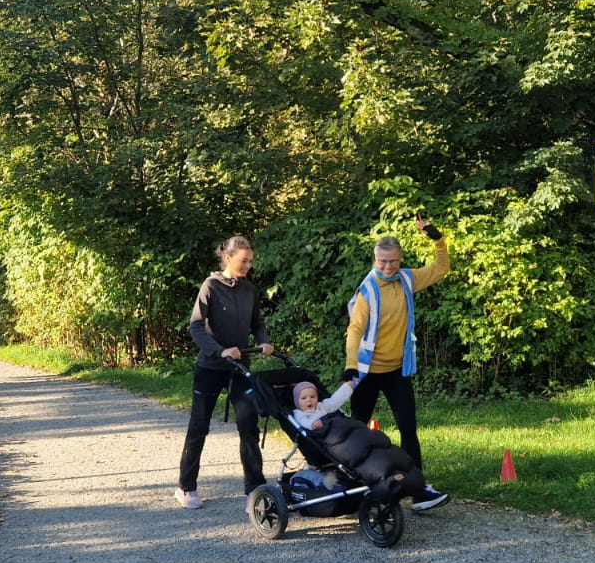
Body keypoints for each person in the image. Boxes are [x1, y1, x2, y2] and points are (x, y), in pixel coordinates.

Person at [343, 218, 451, 511]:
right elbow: (354, 330)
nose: (388, 267)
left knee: (408, 427)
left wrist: (437, 240)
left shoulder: (406, 278)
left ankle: (418, 491)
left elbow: (442, 269)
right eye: (382, 262)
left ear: (400, 259)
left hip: (395, 370)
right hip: (366, 372)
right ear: (374, 259)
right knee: (358, 430)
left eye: (392, 261)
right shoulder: (368, 290)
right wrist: (351, 364)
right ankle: (352, 487)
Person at [177, 236, 275, 509]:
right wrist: (219, 350)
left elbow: (257, 322)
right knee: (199, 426)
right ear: (228, 258)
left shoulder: (249, 290)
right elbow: (196, 327)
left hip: (240, 368)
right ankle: (186, 487)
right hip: (210, 368)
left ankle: (254, 488)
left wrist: (263, 341)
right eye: (244, 260)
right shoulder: (210, 286)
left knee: (248, 425)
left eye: (251, 261)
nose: (248, 265)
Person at [288, 380, 423, 504]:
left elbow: (336, 400)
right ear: (297, 401)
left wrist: (348, 386)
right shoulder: (299, 414)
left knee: (373, 443)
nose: (309, 400)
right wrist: (312, 424)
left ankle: (402, 471)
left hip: (345, 429)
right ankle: (382, 478)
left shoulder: (323, 407)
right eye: (304, 398)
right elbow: (303, 423)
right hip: (328, 435)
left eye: (312, 396)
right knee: (360, 453)